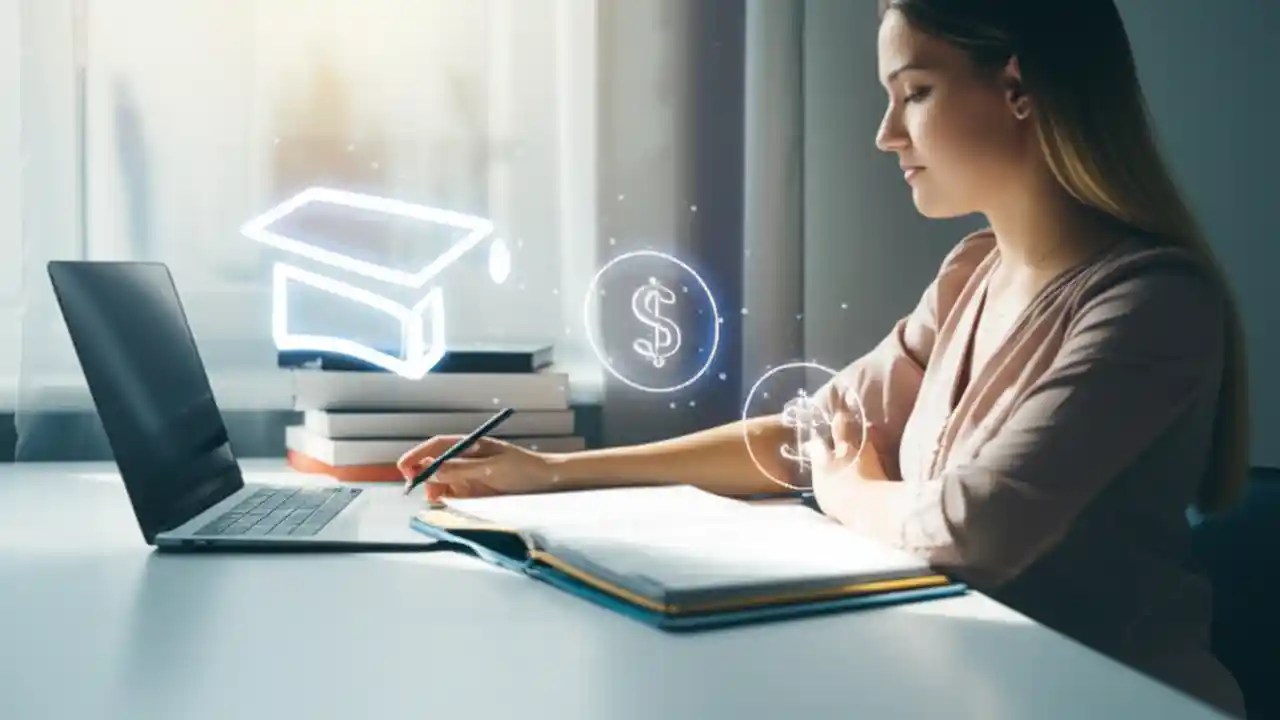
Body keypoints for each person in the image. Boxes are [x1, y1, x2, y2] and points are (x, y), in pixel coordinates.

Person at [398, 1, 1247, 714]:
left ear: (1019, 87)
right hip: (964, 686)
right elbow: (803, 437)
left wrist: (851, 492)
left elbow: (971, 529)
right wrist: (549, 473)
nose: (885, 134)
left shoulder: (1153, 303)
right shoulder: (968, 278)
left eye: (914, 92)